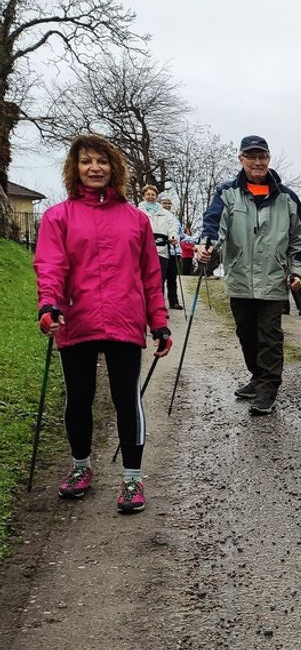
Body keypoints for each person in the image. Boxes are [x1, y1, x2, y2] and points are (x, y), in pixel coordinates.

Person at [33, 135, 173, 513]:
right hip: (75, 319)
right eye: (86, 161)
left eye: (102, 161)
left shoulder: (136, 219)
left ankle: (132, 478)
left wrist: (159, 322)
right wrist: (49, 303)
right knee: (78, 398)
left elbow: (149, 275)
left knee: (126, 398)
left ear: (114, 168)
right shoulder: (57, 216)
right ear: (74, 168)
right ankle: (81, 467)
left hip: (124, 320)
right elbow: (50, 265)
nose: (94, 168)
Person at [195, 135, 301, 415]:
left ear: (269, 159)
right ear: (241, 159)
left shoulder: (286, 197)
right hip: (240, 279)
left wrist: (295, 269)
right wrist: (207, 246)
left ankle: (267, 389)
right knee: (246, 333)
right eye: (251, 156)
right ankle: (258, 376)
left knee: (270, 335)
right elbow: (214, 224)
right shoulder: (227, 193)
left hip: (273, 278)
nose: (257, 162)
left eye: (262, 157)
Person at [137, 184, 182, 310]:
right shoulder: (138, 211)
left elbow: (172, 227)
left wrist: (173, 236)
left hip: (162, 250)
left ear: (156, 196)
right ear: (143, 196)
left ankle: (159, 307)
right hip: (144, 250)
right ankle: (143, 306)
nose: (150, 197)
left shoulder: (166, 214)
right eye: (148, 194)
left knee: (159, 279)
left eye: (153, 194)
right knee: (144, 278)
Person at [160, 195, 185, 306]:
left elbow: (181, 235)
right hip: (161, 251)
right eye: (164, 203)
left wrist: (196, 241)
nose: (167, 205)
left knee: (172, 278)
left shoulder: (175, 219)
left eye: (169, 203)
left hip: (175, 252)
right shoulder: (158, 216)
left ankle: (174, 301)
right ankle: (159, 304)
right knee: (160, 279)